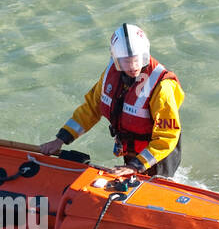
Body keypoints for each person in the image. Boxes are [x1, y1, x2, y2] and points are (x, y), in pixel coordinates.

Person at [39, 23, 184, 177]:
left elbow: (167, 136)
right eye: (126, 61)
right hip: (132, 151)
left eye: (137, 59)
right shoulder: (110, 75)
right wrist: (60, 140)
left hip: (158, 155)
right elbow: (90, 109)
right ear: (116, 59)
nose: (133, 66)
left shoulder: (162, 87)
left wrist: (136, 166)